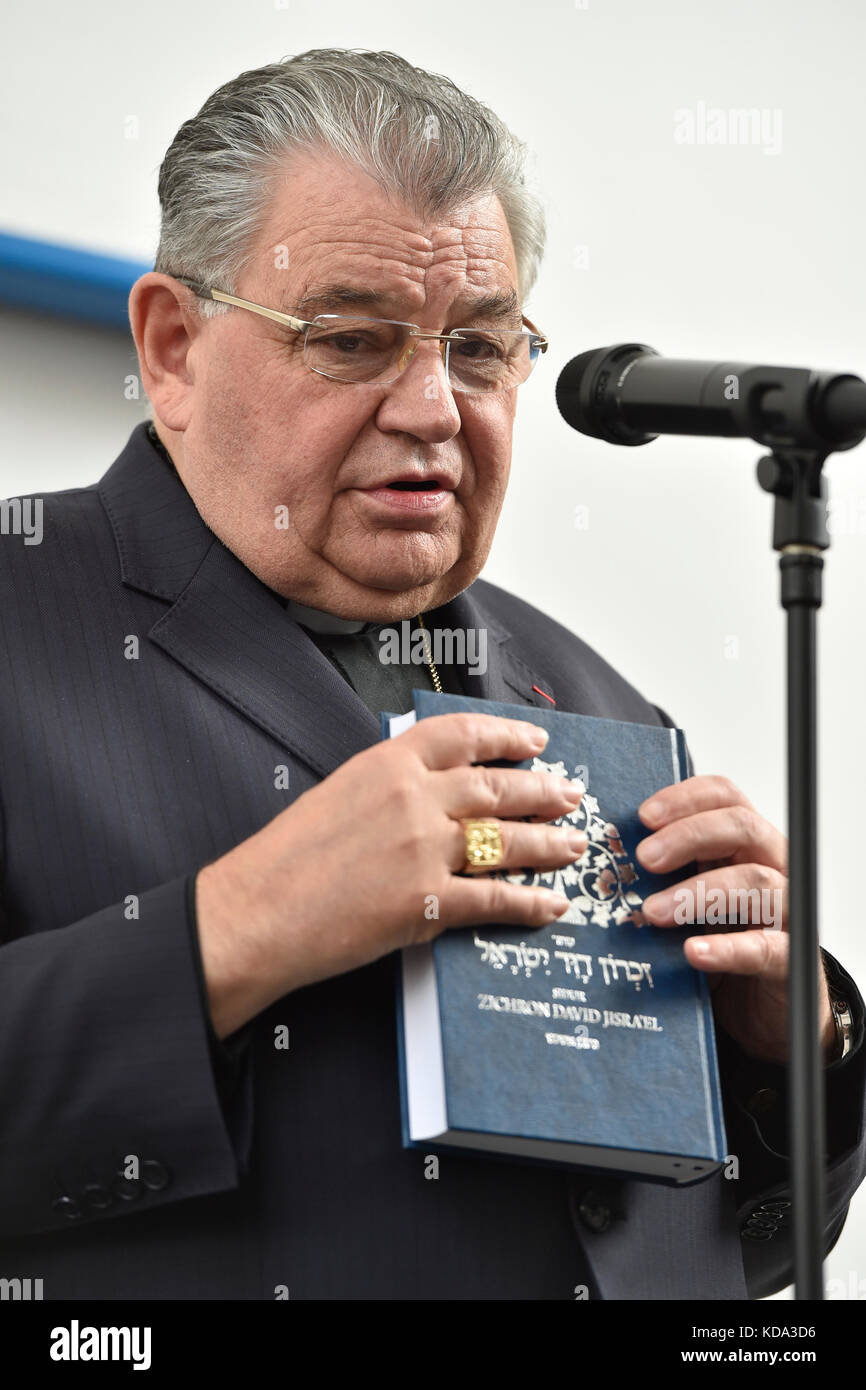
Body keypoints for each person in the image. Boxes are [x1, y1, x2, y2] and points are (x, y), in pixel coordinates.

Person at [1, 48, 862, 1301]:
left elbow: (758, 1246)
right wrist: (234, 929)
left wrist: (800, 1046)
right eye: (351, 340)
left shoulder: (604, 700)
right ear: (174, 347)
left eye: (479, 347)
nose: (434, 409)